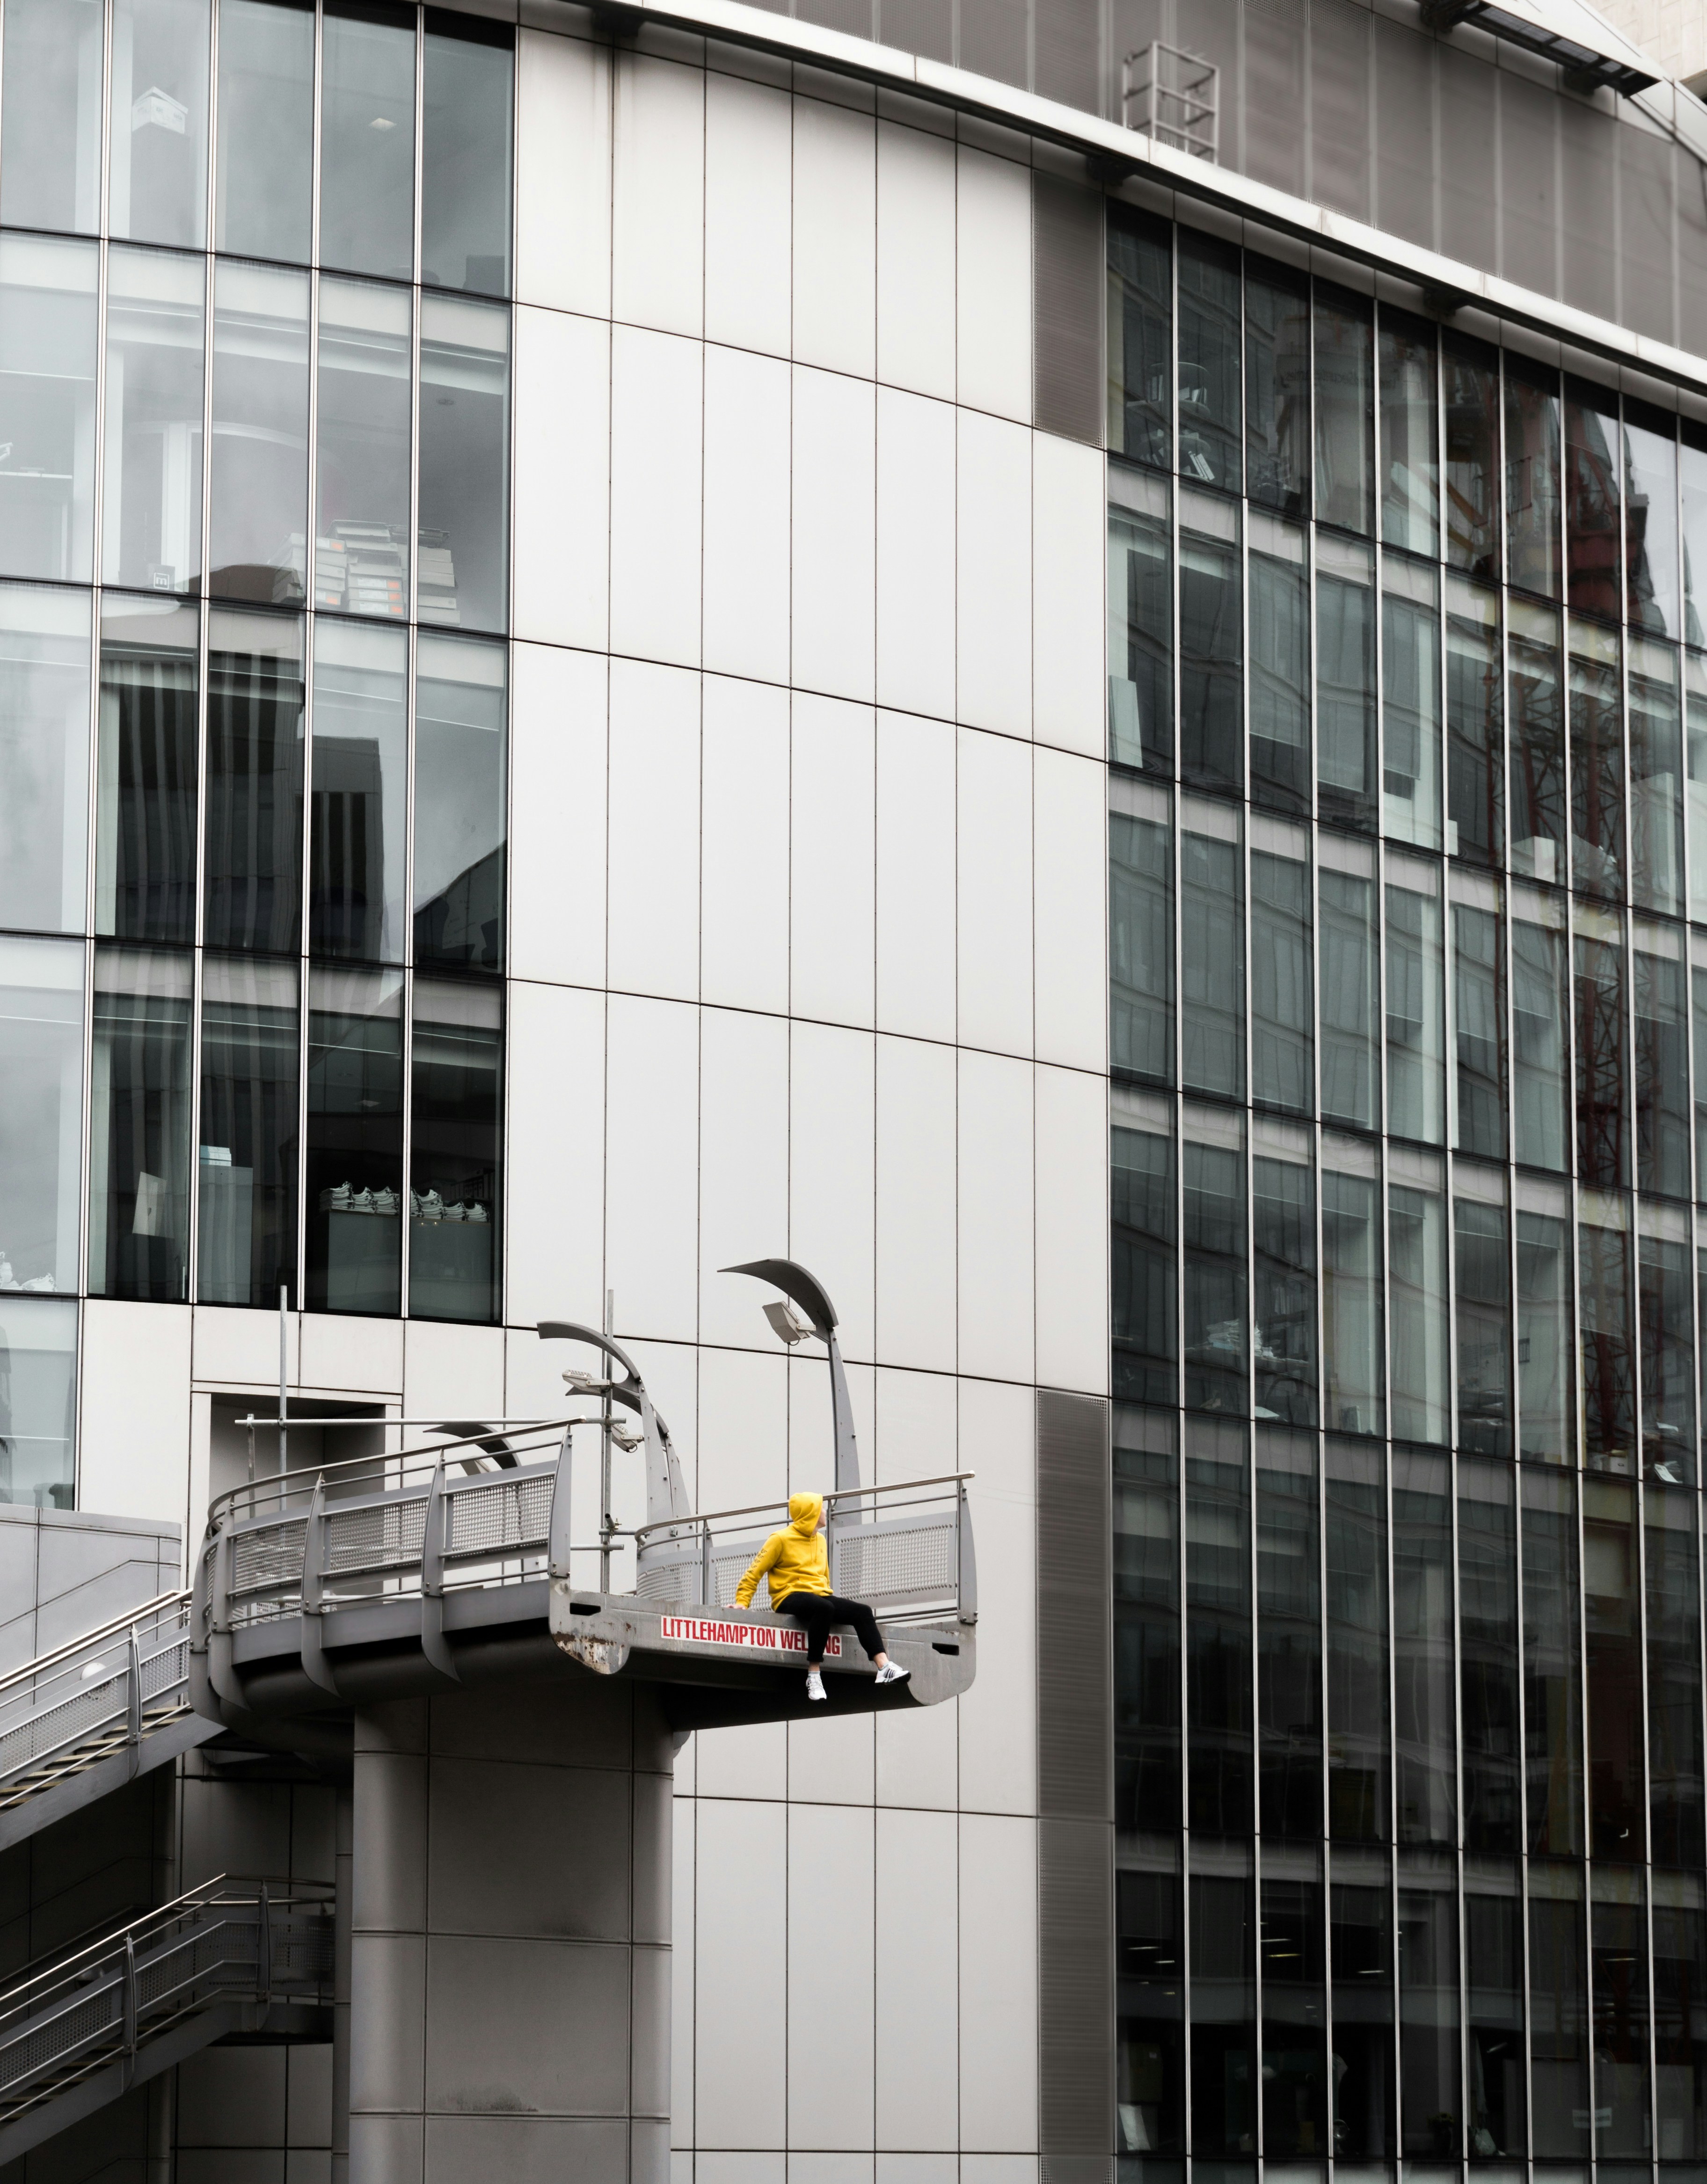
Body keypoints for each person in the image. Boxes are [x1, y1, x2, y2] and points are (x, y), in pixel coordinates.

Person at [734, 1492, 909, 1702]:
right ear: (811, 1513)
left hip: (819, 1596)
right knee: (824, 1609)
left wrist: (828, 1597)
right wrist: (742, 1603)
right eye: (821, 1508)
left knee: (862, 1612)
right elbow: (753, 1573)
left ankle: (884, 1667)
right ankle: (814, 1674)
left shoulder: (821, 1540)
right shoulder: (779, 1539)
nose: (825, 1512)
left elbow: (823, 1578)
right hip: (788, 1596)